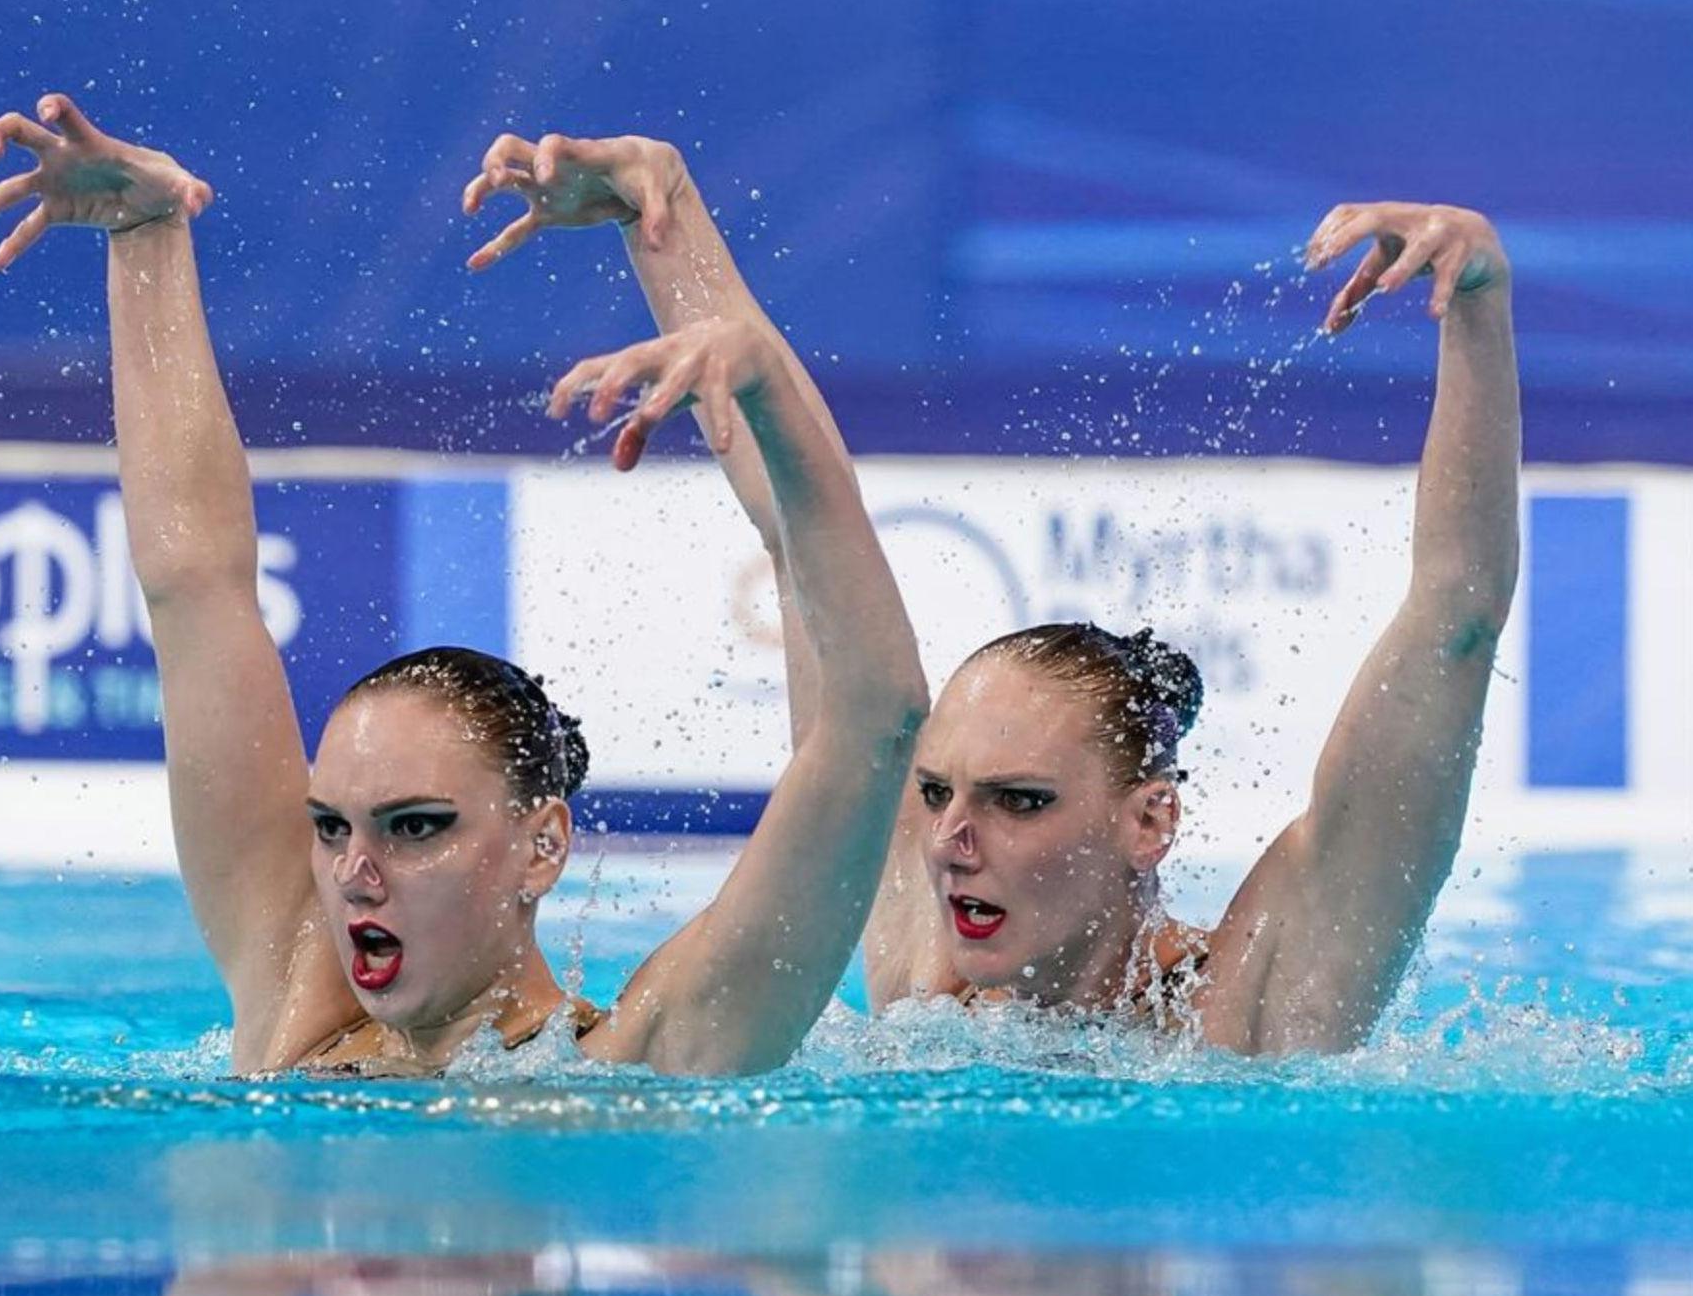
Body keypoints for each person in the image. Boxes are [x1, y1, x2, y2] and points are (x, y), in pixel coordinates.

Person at [473, 141, 1519, 1055]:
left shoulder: (1257, 1005)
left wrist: (1474, 304)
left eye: (1018, 801)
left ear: (1150, 819)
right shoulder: (919, 952)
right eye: (935, 793)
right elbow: (797, 541)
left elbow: (1457, 618)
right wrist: (662, 214)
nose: (948, 842)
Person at [0, 94, 927, 1076]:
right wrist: (143, 234)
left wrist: (754, 369)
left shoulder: (646, 1058)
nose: (356, 873)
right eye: (332, 825)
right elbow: (193, 586)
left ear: (542, 845)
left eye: (416, 827)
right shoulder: (297, 1002)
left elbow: (874, 719)